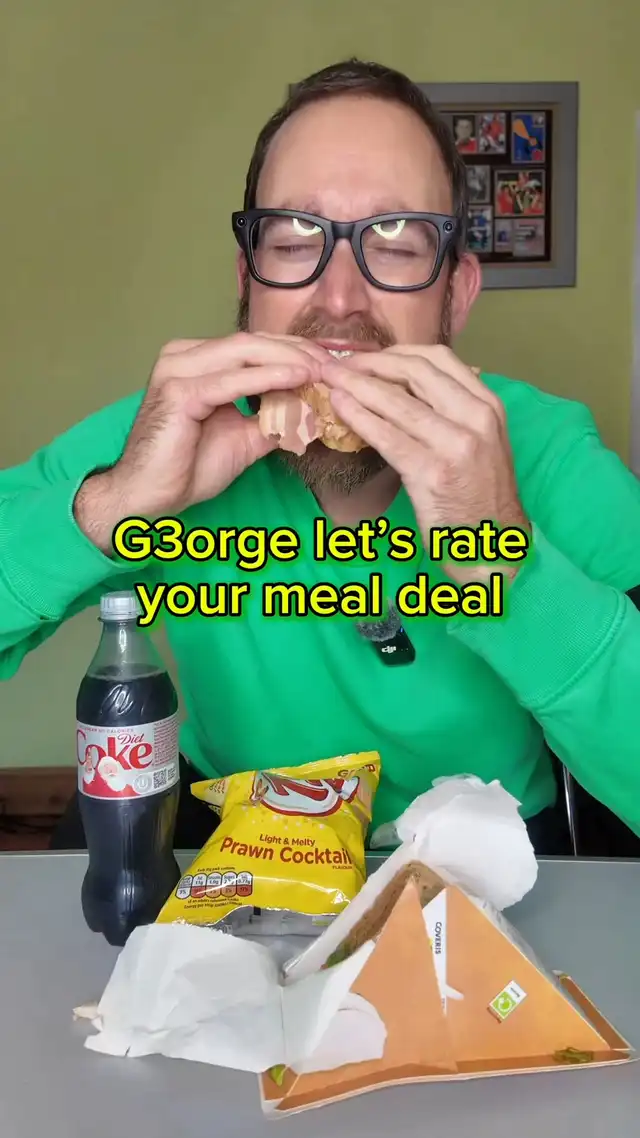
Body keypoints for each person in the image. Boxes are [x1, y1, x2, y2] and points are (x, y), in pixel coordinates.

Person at [2, 58, 640, 857]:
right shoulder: (169, 435)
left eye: (398, 242)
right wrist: (112, 507)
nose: (339, 300)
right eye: (294, 239)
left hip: (499, 862)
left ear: (457, 291)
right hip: (233, 846)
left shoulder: (545, 450)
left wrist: (505, 569)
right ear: (248, 279)